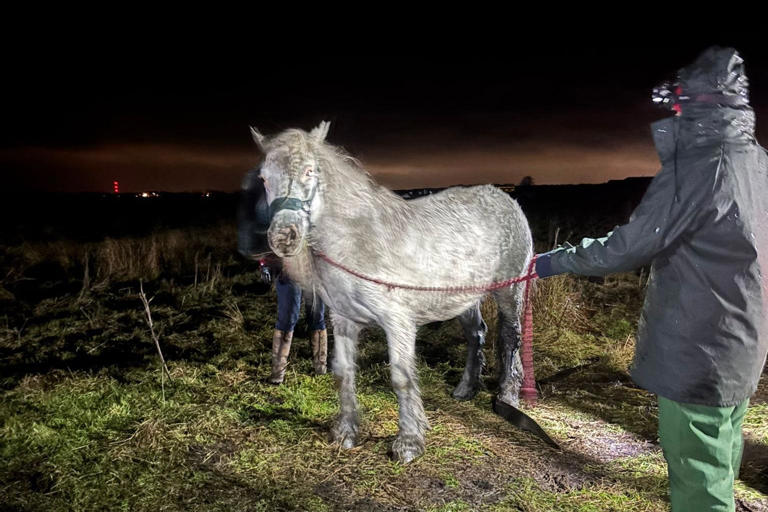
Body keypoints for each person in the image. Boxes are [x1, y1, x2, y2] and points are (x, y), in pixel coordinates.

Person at [535, 46, 768, 511]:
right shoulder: (757, 161)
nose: (673, 111)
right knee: (720, 451)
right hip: (741, 339)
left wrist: (546, 263)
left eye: (678, 103)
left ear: (699, 105)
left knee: (698, 474)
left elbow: (627, 247)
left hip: (701, 346)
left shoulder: (701, 168)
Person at [238, 166, 328, 384]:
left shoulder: (314, 200)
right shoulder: (272, 203)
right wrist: (267, 263)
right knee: (288, 317)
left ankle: (321, 369)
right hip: (287, 270)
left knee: (317, 318)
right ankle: (278, 374)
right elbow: (263, 235)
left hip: (314, 270)